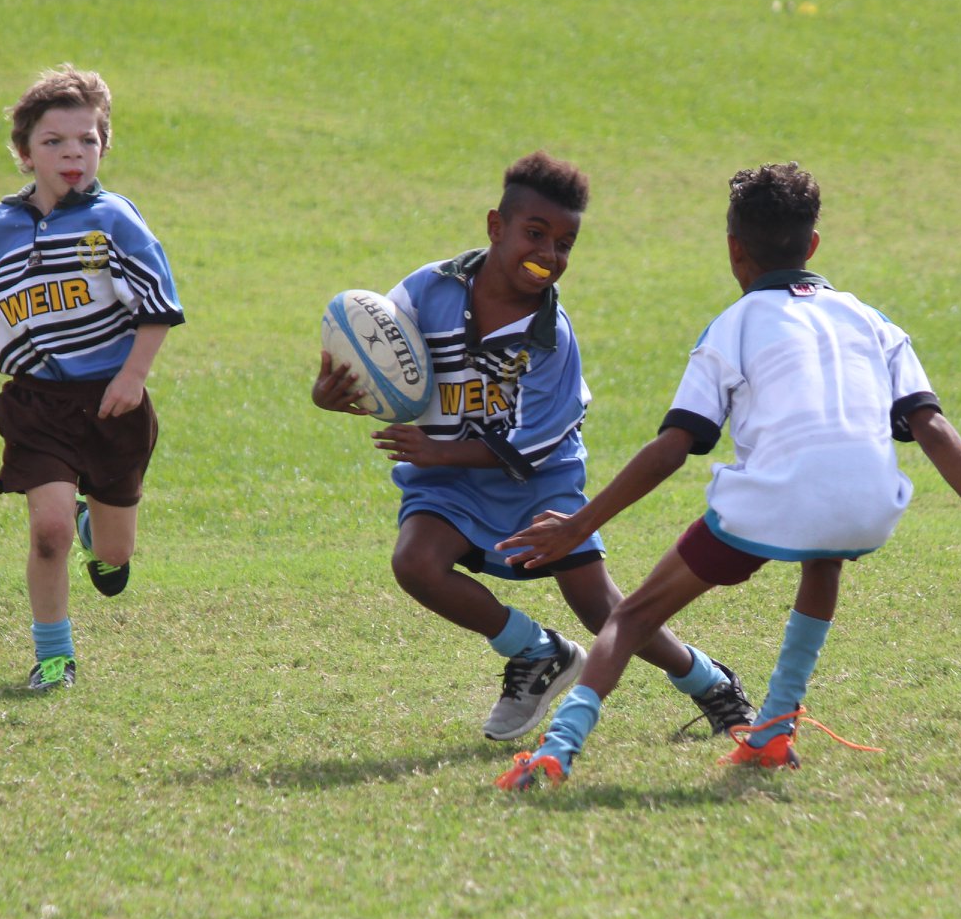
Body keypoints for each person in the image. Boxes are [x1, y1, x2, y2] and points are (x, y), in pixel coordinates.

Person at [492, 163, 961, 789]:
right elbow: (934, 428)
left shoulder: (732, 327)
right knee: (825, 555)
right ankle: (775, 726)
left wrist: (581, 524)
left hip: (769, 506)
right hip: (870, 508)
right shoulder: (873, 320)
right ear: (812, 245)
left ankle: (557, 750)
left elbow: (674, 447)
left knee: (630, 618)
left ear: (734, 251)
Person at [310, 152, 756, 740]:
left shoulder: (551, 338)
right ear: (496, 227)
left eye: (565, 244)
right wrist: (337, 390)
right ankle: (537, 652)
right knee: (415, 563)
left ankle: (708, 683)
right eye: (535, 234)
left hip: (538, 481)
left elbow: (530, 448)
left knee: (600, 608)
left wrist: (439, 452)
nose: (549, 255)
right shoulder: (428, 289)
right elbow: (379, 356)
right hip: (449, 481)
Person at [0, 65, 184, 691]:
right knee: (47, 531)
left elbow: (159, 308)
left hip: (111, 403)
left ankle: (97, 532)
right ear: (25, 153)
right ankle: (54, 656)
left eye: (87, 140)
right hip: (35, 401)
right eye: (55, 142)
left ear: (103, 146)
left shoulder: (115, 221)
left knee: (114, 555)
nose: (73, 153)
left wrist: (133, 378)